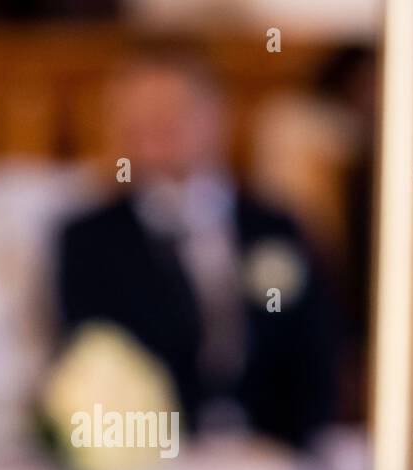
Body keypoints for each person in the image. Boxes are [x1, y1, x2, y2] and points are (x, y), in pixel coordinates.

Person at [55, 50, 341, 449]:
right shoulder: (90, 239)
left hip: (278, 453)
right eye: (137, 113)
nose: (154, 126)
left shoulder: (275, 226)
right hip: (158, 458)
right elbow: (91, 360)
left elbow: (319, 350)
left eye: (171, 109)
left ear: (217, 115)